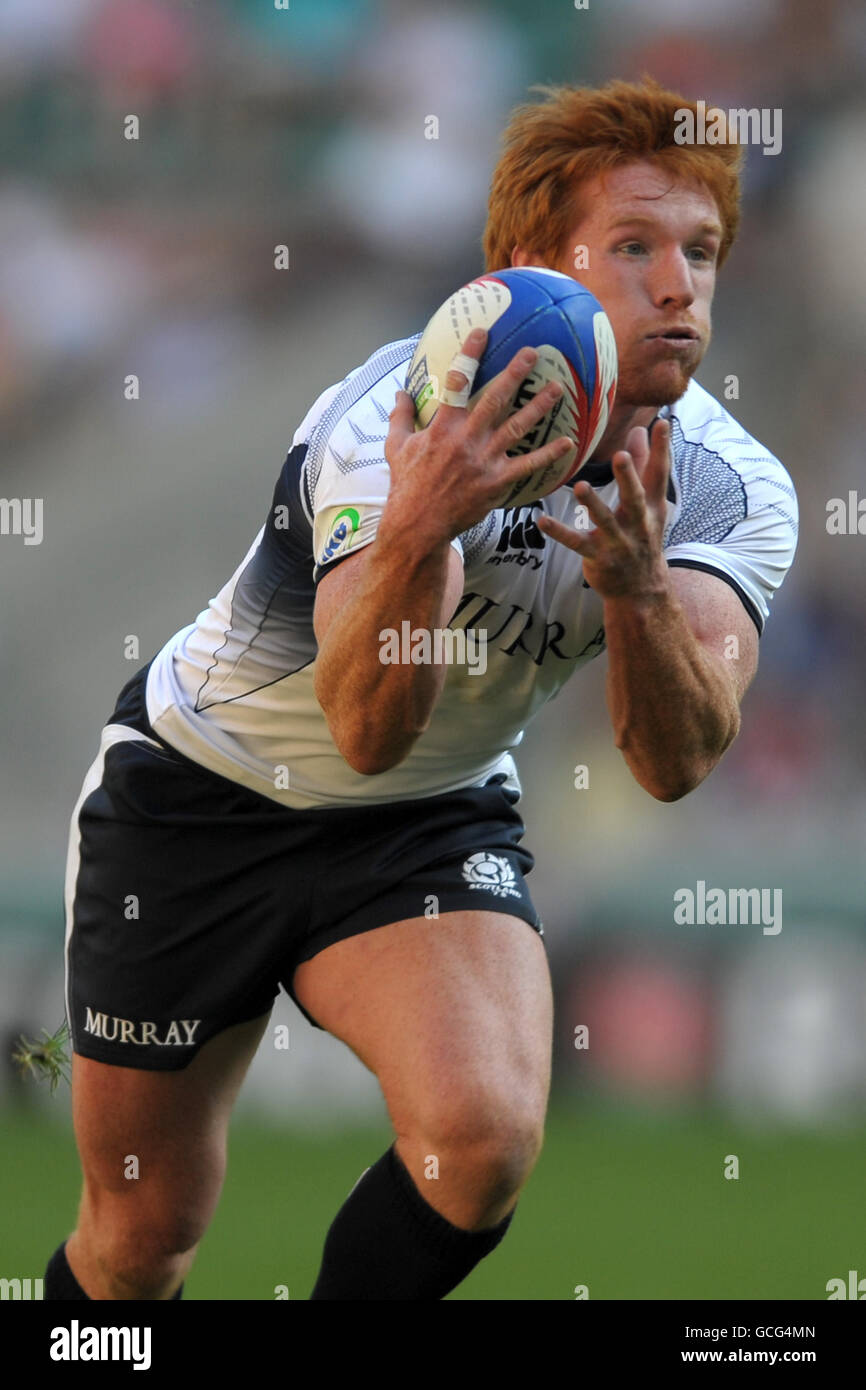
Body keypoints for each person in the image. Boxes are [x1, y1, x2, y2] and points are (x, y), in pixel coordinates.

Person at [47, 77, 797, 1301]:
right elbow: (360, 723)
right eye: (633, 247)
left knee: (480, 1139)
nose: (678, 286)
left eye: (700, 251)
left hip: (422, 812)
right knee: (141, 1239)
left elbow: (671, 763)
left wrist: (640, 592)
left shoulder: (728, 485)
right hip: (197, 794)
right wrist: (417, 532)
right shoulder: (379, 423)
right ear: (524, 268)